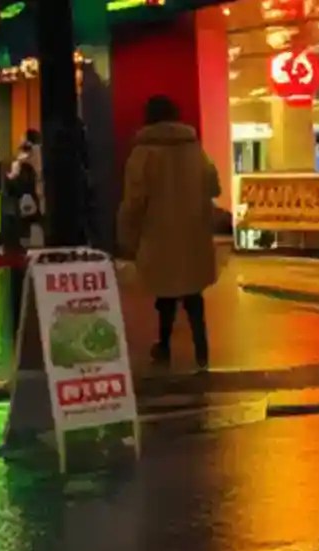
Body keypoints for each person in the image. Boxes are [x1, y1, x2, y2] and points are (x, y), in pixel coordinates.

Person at [118, 95, 221, 370]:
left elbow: (134, 201)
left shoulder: (143, 153)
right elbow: (213, 185)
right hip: (192, 232)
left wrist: (126, 236)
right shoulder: (194, 148)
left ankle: (163, 346)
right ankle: (202, 348)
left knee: (165, 294)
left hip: (158, 233)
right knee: (193, 294)